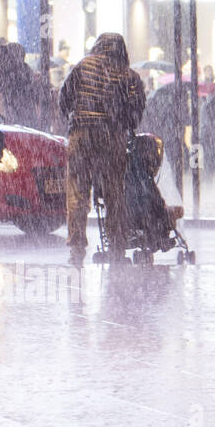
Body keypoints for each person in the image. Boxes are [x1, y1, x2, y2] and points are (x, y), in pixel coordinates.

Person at [59, 33, 146, 260]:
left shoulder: (83, 66)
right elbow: (136, 109)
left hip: (81, 134)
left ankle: (77, 238)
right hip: (112, 137)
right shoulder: (128, 75)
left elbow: (64, 97)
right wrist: (123, 123)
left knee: (78, 189)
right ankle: (116, 238)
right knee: (114, 190)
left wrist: (73, 116)